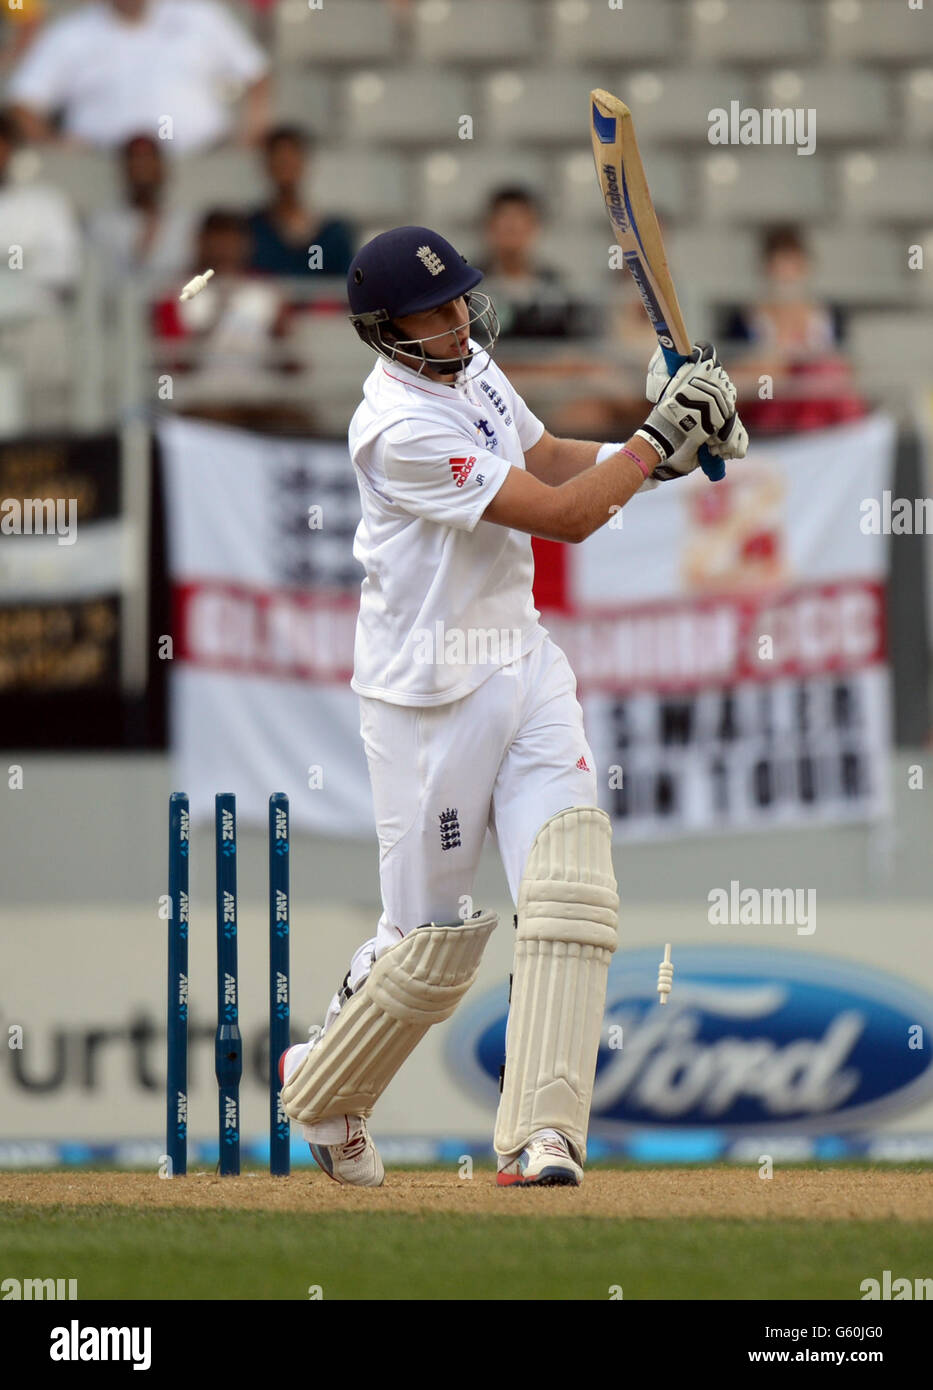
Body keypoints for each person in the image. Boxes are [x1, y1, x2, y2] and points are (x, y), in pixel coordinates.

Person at [279, 226, 747, 1188]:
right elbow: (564, 516)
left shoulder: (471, 368)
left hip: (522, 661)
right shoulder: (396, 428)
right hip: (426, 701)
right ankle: (321, 1087)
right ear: (383, 330)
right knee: (428, 947)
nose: (458, 322)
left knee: (571, 890)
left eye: (461, 303)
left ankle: (543, 1137)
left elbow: (553, 458)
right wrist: (663, 434)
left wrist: (658, 447)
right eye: (435, 312)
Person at [6, 0, 269, 154]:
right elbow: (22, 104)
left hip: (202, 167)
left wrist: (253, 129)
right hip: (105, 179)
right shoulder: (72, 33)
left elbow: (256, 73)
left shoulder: (199, 14)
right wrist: (55, 145)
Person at [724, 225, 867, 433]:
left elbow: (848, 374)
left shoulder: (829, 318)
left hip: (825, 422)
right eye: (780, 269)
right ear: (767, 270)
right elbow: (733, 381)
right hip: (767, 419)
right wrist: (779, 367)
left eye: (794, 268)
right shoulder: (745, 321)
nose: (787, 278)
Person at [478, 187, 590, 340]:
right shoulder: (470, 287)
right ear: (489, 226)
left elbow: (572, 347)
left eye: (520, 218)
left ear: (534, 227)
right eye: (504, 218)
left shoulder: (556, 288)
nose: (512, 226)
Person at [247, 125, 353, 279]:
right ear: (267, 165)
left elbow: (344, 287)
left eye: (290, 160)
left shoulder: (334, 234)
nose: (285, 168)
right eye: (279, 161)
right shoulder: (251, 231)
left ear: (304, 163)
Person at [87, 133, 196, 278]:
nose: (142, 167)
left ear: (162, 168)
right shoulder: (103, 222)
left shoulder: (186, 222)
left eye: (148, 159)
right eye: (135, 159)